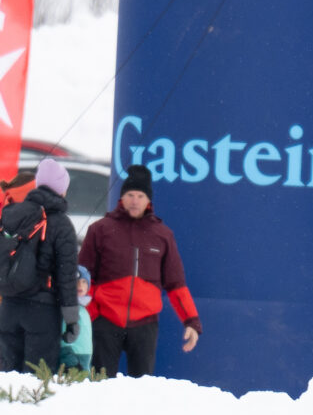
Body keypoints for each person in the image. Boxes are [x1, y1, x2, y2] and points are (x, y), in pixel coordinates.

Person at [78, 164, 202, 378]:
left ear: (148, 201)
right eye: (130, 195)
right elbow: (82, 278)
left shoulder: (163, 235)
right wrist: (89, 315)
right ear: (122, 198)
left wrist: (191, 321)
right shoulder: (100, 229)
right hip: (105, 321)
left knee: (142, 387)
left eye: (140, 195)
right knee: (100, 385)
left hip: (145, 324)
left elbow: (176, 284)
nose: (135, 200)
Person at [0, 158, 79, 373]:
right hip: (42, 311)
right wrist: (72, 319)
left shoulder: (10, 214)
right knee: (37, 376)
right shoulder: (62, 224)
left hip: (8, 307)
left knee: (6, 378)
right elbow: (66, 276)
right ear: (61, 190)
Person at [59, 265, 94, 373]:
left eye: (84, 282)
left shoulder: (83, 308)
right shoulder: (68, 308)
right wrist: (68, 356)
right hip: (73, 356)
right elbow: (63, 334)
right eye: (76, 281)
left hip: (85, 355)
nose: (80, 285)